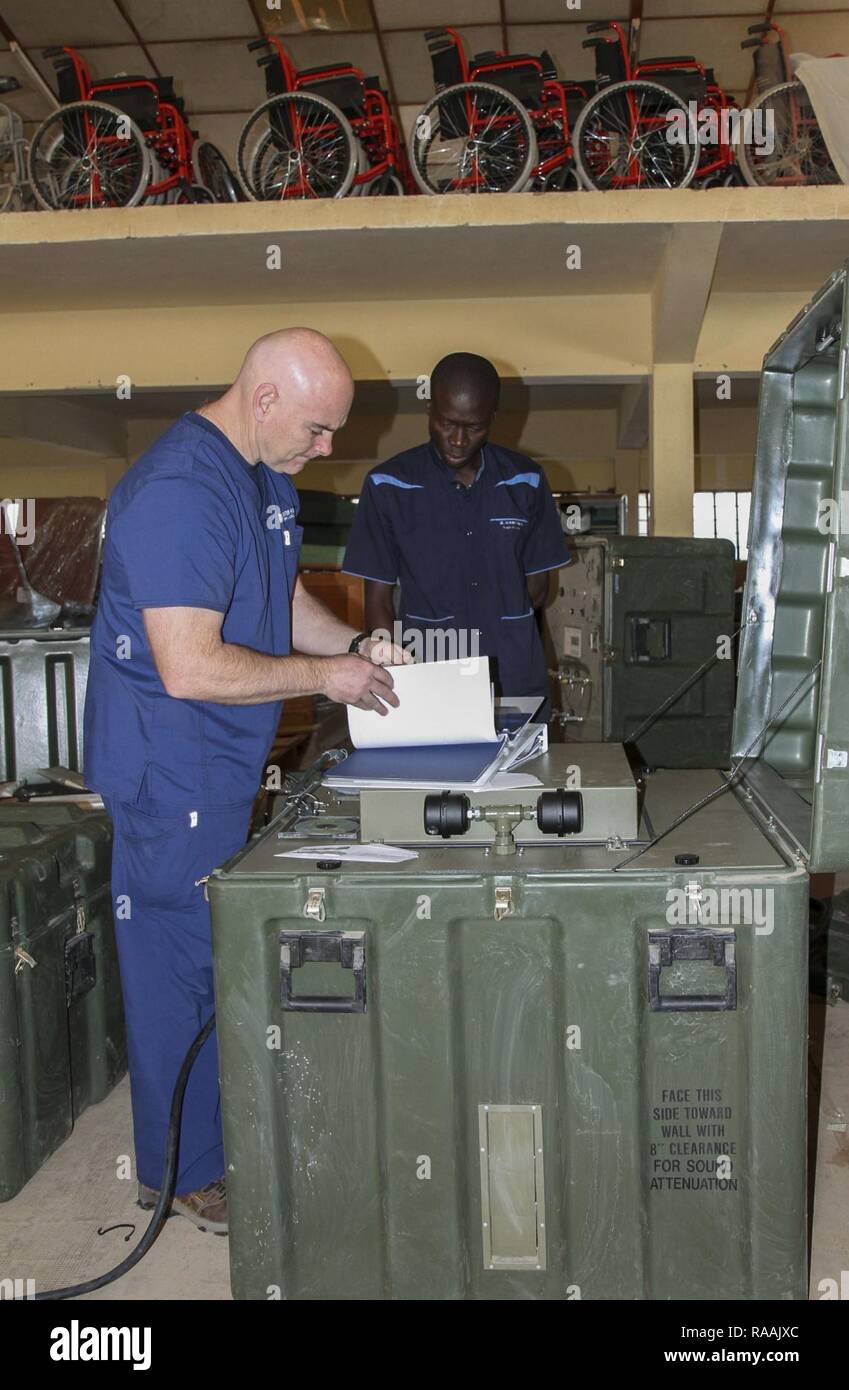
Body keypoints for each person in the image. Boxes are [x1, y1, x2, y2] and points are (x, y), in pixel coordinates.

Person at [84, 328, 407, 1234]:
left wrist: (348, 644)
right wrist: (325, 680)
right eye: (317, 428)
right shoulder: (181, 491)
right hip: (167, 766)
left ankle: (213, 1138)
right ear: (263, 400)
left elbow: (276, 598)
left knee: (219, 958)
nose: (327, 447)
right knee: (178, 969)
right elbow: (188, 666)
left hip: (218, 764)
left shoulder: (263, 477)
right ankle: (177, 1172)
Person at [342, 352, 570, 715]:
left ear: (492, 418)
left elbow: (539, 588)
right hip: (431, 673)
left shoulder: (526, 481)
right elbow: (378, 601)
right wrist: (396, 672)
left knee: (525, 770)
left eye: (475, 427)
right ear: (430, 408)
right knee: (440, 769)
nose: (459, 440)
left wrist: (495, 618)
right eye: (447, 423)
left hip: (515, 677)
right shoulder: (388, 486)